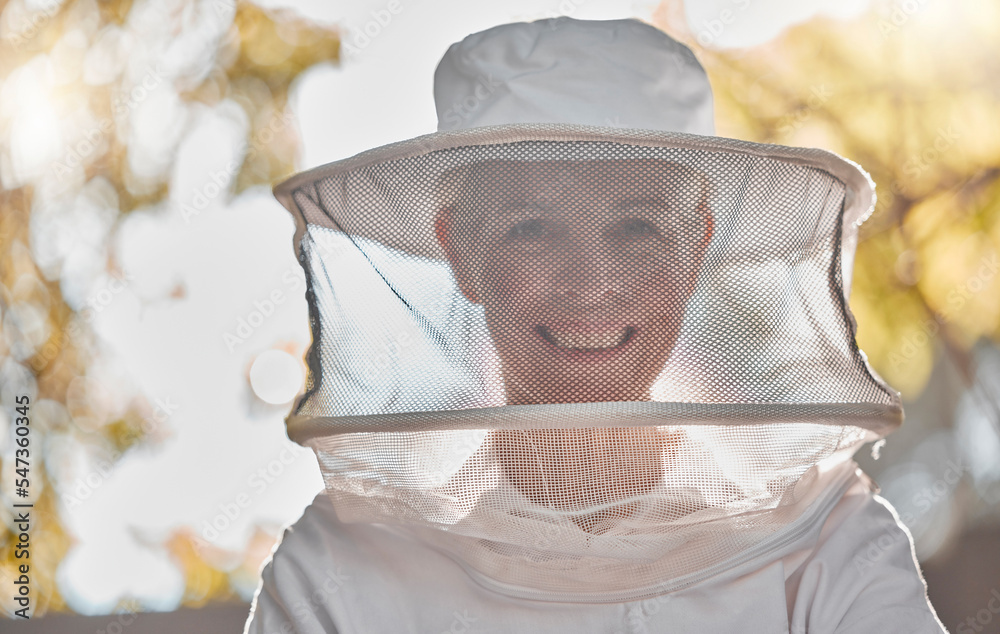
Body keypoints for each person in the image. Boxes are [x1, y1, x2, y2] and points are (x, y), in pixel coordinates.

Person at [246, 17, 948, 633]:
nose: (590, 284)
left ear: (695, 246)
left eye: (637, 227)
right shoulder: (336, 570)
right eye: (531, 228)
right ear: (462, 249)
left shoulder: (826, 543)